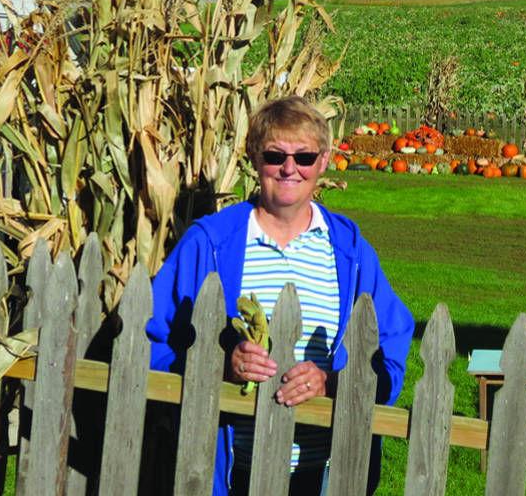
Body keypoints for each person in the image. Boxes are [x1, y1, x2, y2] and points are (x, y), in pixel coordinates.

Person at [146, 96, 414, 496]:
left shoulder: (350, 251)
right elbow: (151, 342)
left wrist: (333, 383)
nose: (290, 168)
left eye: (304, 157)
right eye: (275, 155)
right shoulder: (212, 243)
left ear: (323, 162)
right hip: (228, 472)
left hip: (323, 475)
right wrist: (216, 367)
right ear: (255, 159)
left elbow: (391, 350)